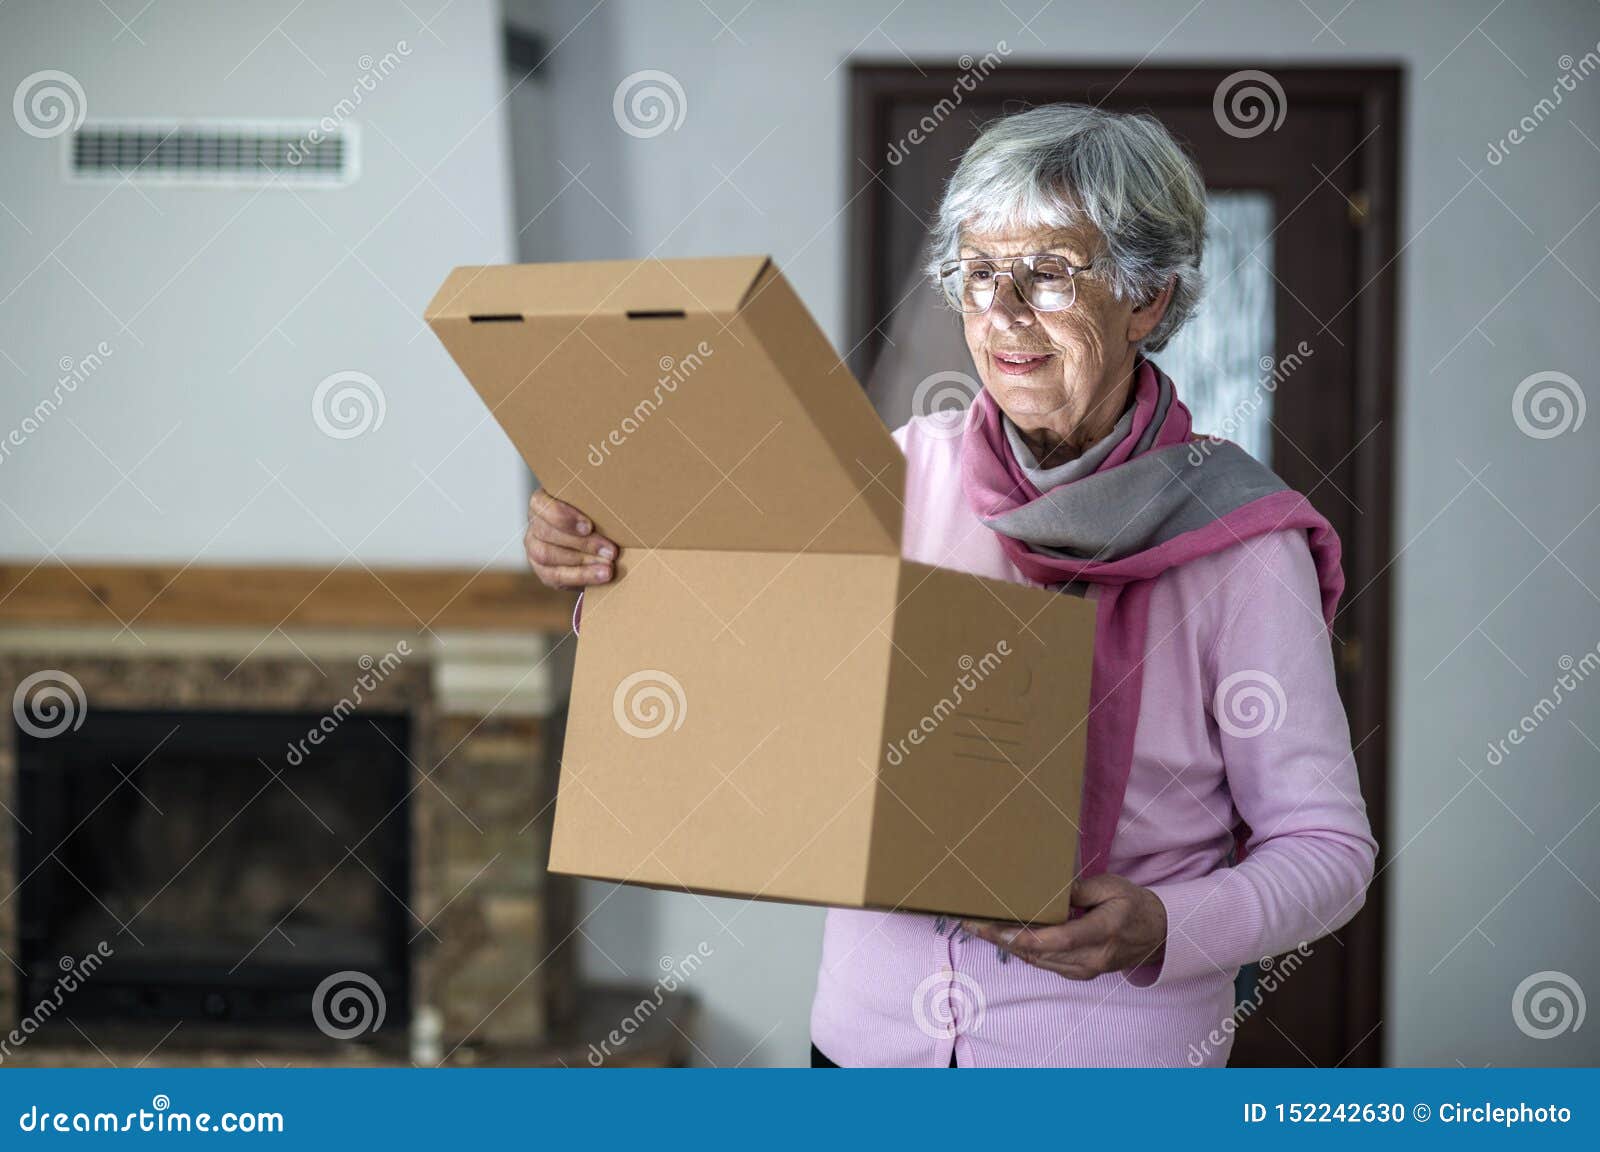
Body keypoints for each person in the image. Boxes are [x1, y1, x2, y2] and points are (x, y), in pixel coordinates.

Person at [523, 103, 1377, 1067]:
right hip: (864, 1049)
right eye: (977, 275)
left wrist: (1165, 926)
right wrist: (605, 562)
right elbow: (735, 648)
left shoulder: (1242, 546)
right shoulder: (899, 472)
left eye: (1048, 274)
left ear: (1147, 299)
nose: (1003, 314)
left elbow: (1328, 854)